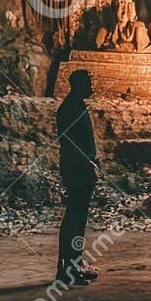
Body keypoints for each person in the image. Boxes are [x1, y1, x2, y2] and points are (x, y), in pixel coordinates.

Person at [56, 69, 99, 285]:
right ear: (78, 84)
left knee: (79, 221)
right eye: (89, 82)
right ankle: (67, 271)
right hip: (77, 170)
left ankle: (75, 265)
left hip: (82, 168)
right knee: (74, 220)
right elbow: (69, 141)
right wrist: (87, 161)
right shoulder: (69, 108)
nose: (93, 87)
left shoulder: (76, 105)